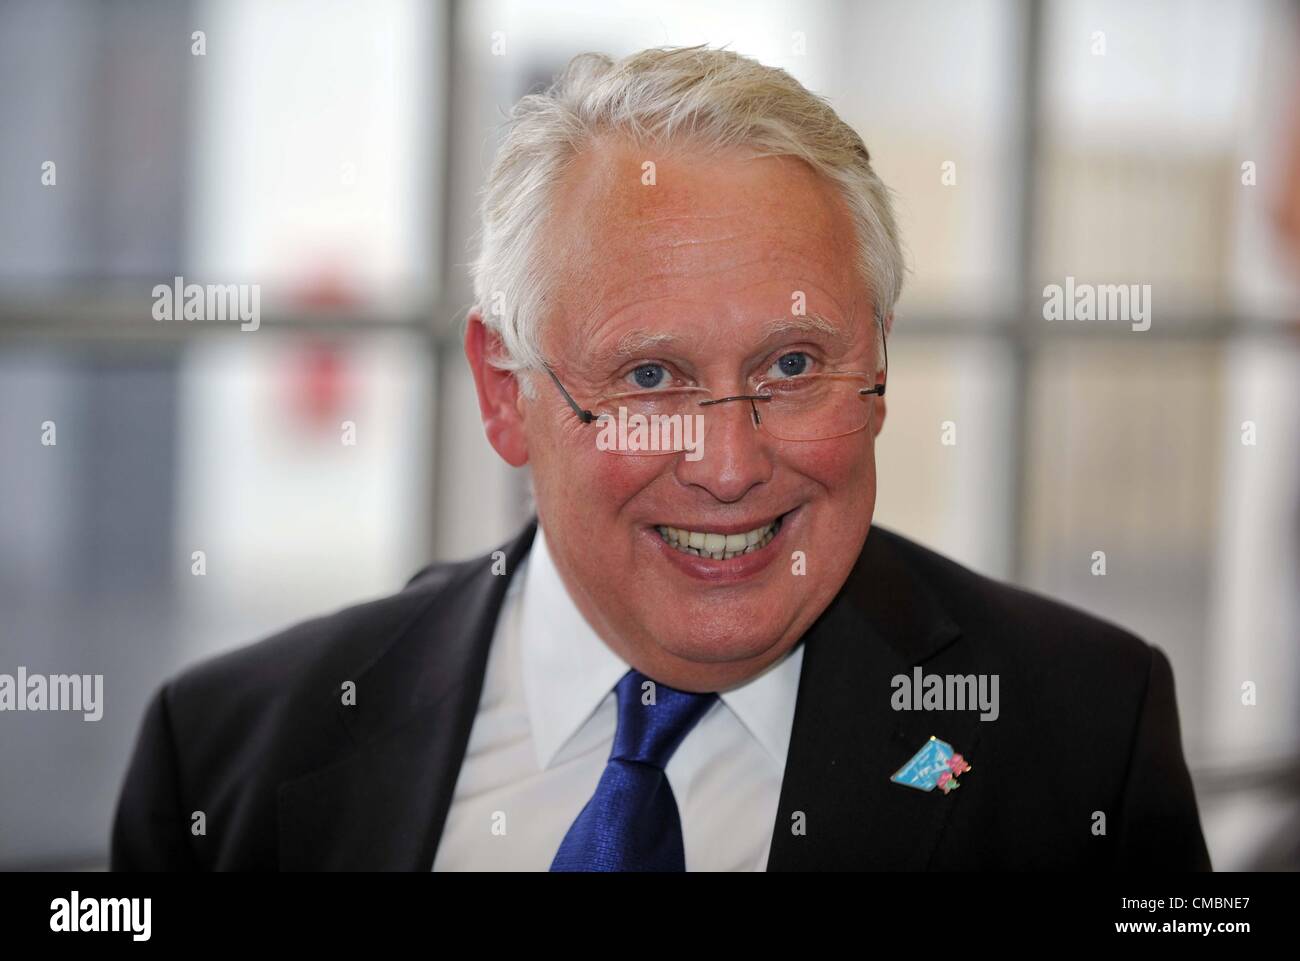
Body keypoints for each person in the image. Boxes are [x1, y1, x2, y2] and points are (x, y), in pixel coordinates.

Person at [111, 46, 1210, 871]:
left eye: (791, 363)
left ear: (877, 368)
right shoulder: (227, 755)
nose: (728, 465)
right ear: (506, 393)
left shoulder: (1080, 733)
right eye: (648, 378)